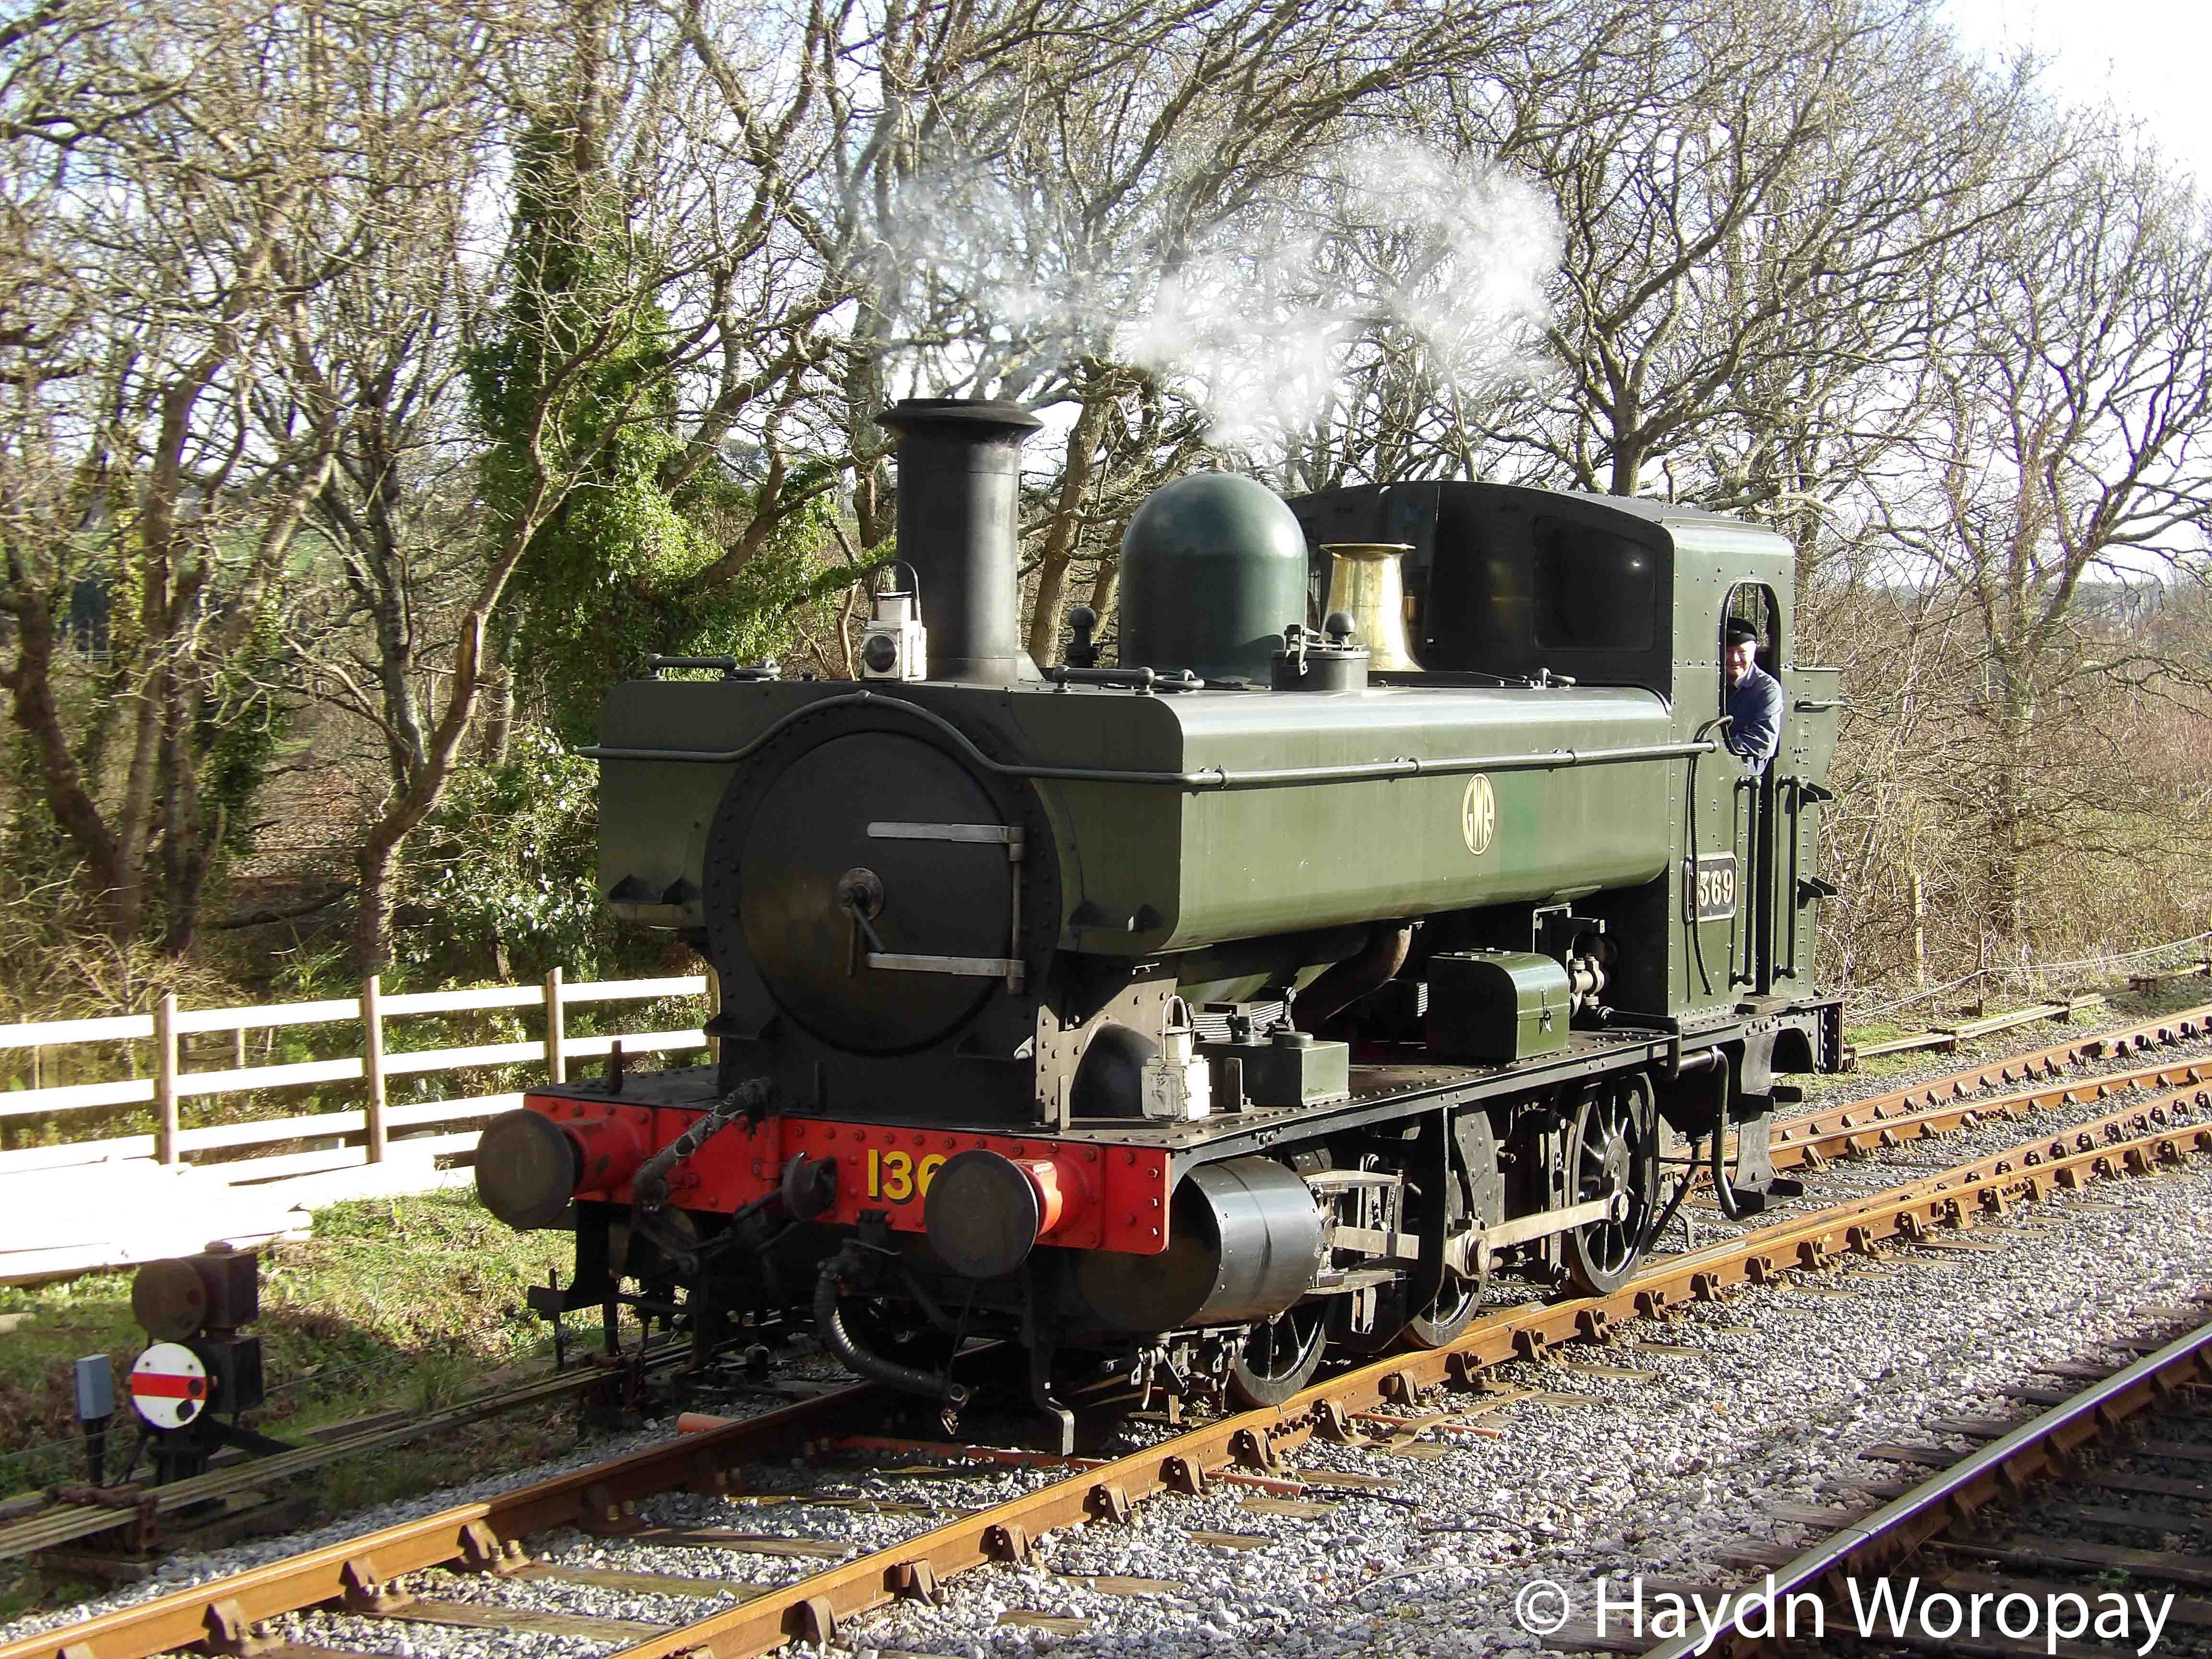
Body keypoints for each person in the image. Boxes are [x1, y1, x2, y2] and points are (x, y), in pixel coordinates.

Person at [1723, 618, 1781, 775]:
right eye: (1728, 652)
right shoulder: (1709, 683)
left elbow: (1763, 741)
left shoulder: (1767, 689)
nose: (1735, 659)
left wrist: (1720, 749)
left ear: (1753, 652)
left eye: (1742, 652)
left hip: (1743, 774)